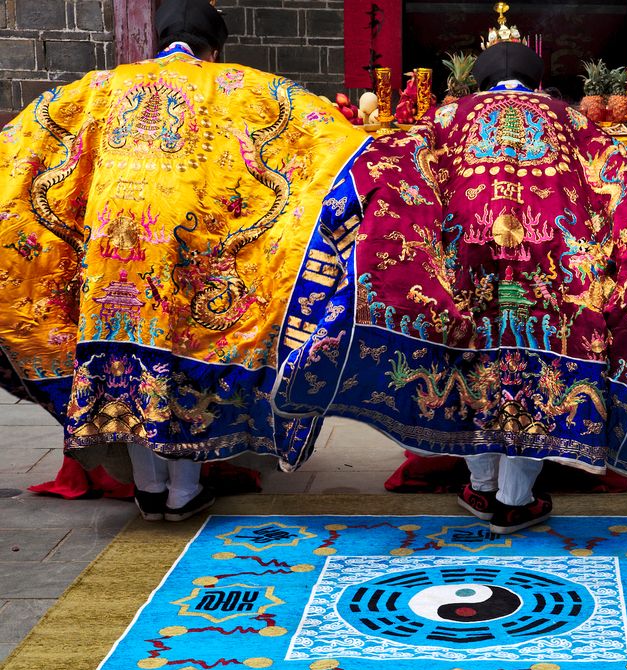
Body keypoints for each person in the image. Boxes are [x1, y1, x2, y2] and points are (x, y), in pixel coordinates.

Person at [272, 17, 627, 533]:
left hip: (467, 271)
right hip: (554, 277)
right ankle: (518, 496)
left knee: (471, 369)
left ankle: (482, 488)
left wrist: (344, 218)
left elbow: (384, 164)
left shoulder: (443, 118)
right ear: (535, 82)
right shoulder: (572, 122)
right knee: (539, 373)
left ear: (480, 83)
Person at [0, 0, 368, 520]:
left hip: (111, 256)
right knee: (183, 359)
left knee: (123, 364)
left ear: (158, 43)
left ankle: (149, 492)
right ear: (214, 48)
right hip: (182, 255)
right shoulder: (237, 85)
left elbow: (25, 142)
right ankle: (182, 492)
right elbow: (320, 134)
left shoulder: (102, 86)